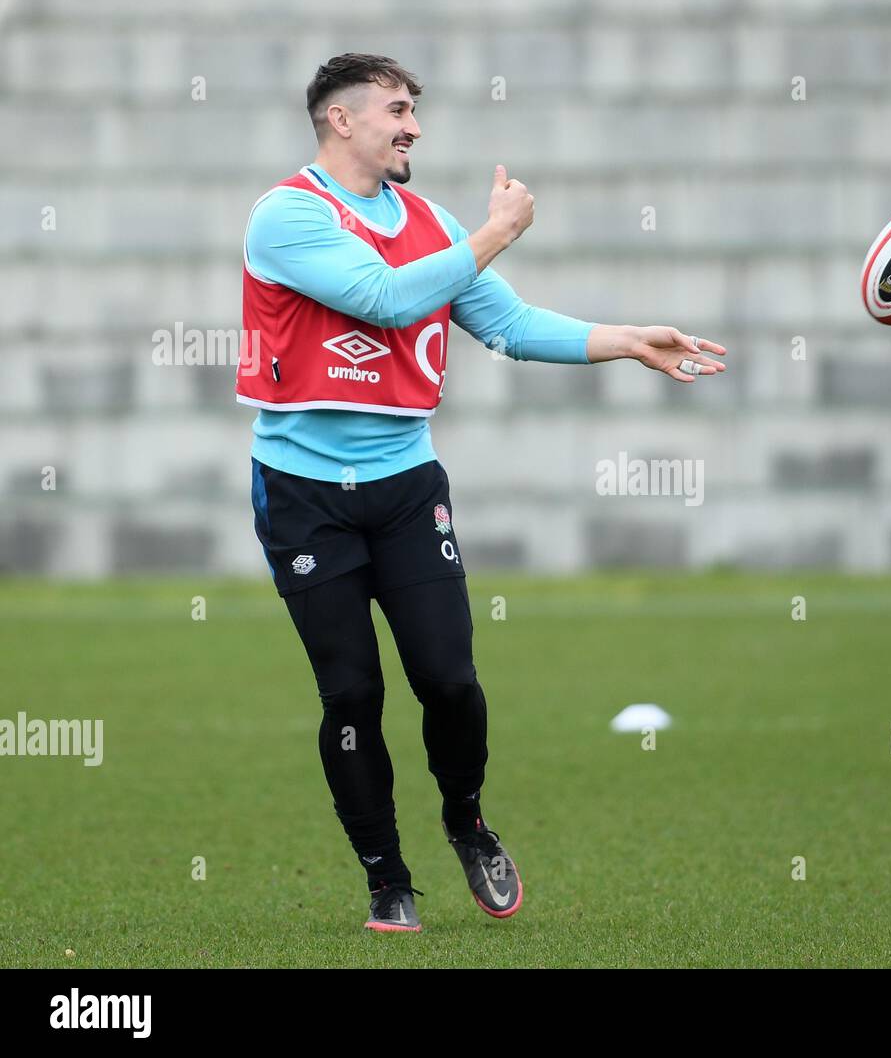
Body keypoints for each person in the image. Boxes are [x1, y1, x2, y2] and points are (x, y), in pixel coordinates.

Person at [236, 53, 727, 932]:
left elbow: (507, 321)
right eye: (397, 109)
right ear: (341, 121)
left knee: (451, 681)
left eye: (414, 109)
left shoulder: (430, 221)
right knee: (351, 695)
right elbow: (382, 298)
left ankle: (465, 821)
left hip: (405, 486)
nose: (413, 125)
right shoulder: (286, 215)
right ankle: (387, 876)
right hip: (305, 493)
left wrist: (627, 338)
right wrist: (496, 233)